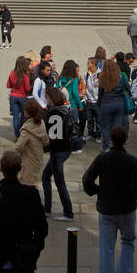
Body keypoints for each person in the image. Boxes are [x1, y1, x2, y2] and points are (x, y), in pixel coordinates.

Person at [82, 126, 137, 273]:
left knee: (106, 249)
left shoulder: (103, 158)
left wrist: (97, 192)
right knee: (128, 242)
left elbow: (87, 180)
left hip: (107, 209)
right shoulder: (131, 161)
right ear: (125, 140)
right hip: (127, 209)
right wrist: (132, 197)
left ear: (110, 139)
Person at [0, 150, 47, 273]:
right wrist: (36, 248)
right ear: (20, 168)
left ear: (1, 169)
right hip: (25, 254)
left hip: (2, 256)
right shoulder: (31, 194)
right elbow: (42, 228)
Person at [42, 87, 76, 221]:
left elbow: (54, 136)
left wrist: (45, 144)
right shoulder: (64, 110)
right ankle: (47, 208)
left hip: (58, 151)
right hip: (64, 149)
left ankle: (68, 212)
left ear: (52, 98)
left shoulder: (54, 114)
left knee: (59, 182)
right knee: (45, 177)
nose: (46, 99)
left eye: (47, 97)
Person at [96, 58, 131, 151]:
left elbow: (100, 93)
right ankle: (116, 145)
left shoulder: (102, 77)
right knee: (117, 127)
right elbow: (127, 87)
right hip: (119, 104)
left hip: (106, 104)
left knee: (106, 127)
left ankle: (105, 146)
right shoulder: (120, 76)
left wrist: (99, 104)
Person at [14, 98, 48, 187]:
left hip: (27, 162)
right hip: (38, 159)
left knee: (26, 186)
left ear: (27, 112)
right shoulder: (41, 122)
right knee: (34, 184)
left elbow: (18, 148)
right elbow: (46, 141)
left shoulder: (26, 129)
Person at [6, 56, 32, 138]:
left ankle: (17, 135)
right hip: (22, 97)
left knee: (15, 117)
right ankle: (21, 133)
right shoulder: (25, 76)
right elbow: (27, 89)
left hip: (13, 96)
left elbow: (8, 85)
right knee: (23, 116)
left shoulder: (12, 73)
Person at [81, 57, 101, 141]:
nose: (87, 65)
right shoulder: (87, 74)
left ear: (93, 64)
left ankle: (98, 135)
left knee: (99, 119)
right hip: (89, 101)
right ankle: (90, 133)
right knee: (89, 119)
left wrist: (99, 98)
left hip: (97, 101)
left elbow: (101, 88)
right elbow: (84, 86)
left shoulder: (100, 74)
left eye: (88, 63)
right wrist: (86, 97)